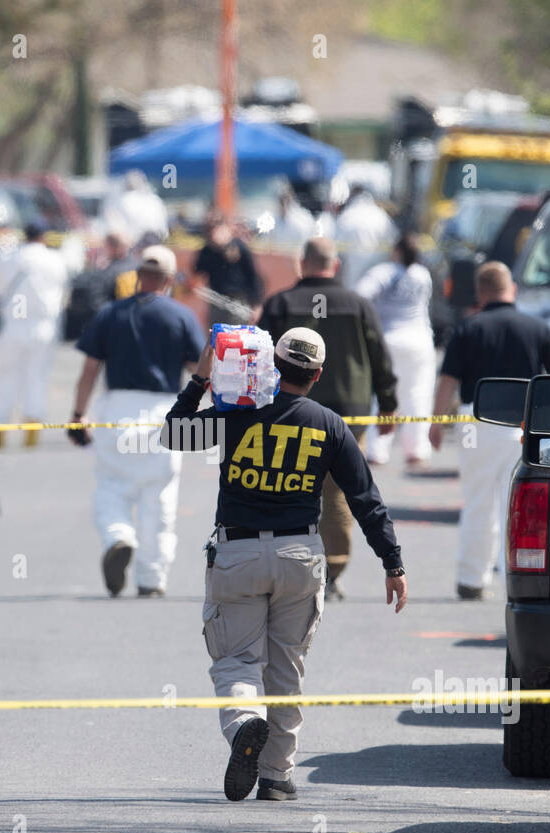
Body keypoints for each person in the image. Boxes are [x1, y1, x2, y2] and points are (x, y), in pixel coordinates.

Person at [160, 327, 407, 802]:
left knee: (236, 661)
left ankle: (244, 726)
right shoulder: (330, 424)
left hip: (239, 554)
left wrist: (201, 379)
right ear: (317, 374)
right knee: (287, 668)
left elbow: (175, 433)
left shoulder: (238, 415)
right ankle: (276, 775)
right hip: (301, 557)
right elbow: (365, 500)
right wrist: (392, 563)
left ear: (273, 365)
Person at [258, 236, 397, 600]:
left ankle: (287, 563)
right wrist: (388, 405)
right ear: (335, 266)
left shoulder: (281, 303)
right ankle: (333, 570)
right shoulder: (358, 304)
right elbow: (380, 357)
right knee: (339, 492)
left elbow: (260, 360)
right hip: (349, 413)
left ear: (302, 264)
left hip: (287, 408)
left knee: (288, 483)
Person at [70, 245, 205, 597]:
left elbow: (89, 370)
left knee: (112, 486)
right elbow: (200, 370)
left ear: (138, 276)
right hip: (164, 411)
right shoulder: (181, 316)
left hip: (116, 410)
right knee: (158, 497)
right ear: (170, 279)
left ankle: (117, 536)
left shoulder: (110, 314)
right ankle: (152, 576)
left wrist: (78, 415)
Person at [430, 261, 550, 600]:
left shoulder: (468, 328)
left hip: (475, 424)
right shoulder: (536, 328)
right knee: (518, 507)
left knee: (478, 502)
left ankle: (471, 579)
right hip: (523, 427)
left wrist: (435, 422)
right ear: (512, 289)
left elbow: (448, 380)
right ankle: (517, 581)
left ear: (481, 292)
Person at [0, 222, 70, 448]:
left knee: (5, 377)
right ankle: (31, 434)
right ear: (44, 236)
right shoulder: (55, 260)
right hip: (43, 326)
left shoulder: (6, 258)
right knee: (37, 377)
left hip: (12, 324)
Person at [356, 234, 435, 469]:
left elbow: (360, 297)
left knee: (380, 393)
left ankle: (376, 449)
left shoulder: (383, 272)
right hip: (420, 338)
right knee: (418, 394)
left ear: (397, 251)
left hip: (388, 338)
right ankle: (417, 449)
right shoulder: (422, 274)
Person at [193, 210, 262, 323]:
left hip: (237, 299)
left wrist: (257, 304)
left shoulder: (239, 246)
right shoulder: (207, 250)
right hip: (217, 300)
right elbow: (198, 271)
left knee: (236, 334)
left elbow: (252, 276)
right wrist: (215, 248)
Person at [334, 185, 396, 288]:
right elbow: (393, 241)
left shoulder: (347, 216)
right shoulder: (382, 216)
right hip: (378, 268)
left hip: (352, 270)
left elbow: (337, 248)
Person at [102, 170, 169, 244]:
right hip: (157, 241)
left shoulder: (123, 200)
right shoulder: (155, 200)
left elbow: (115, 227)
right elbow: (163, 227)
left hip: (133, 244)